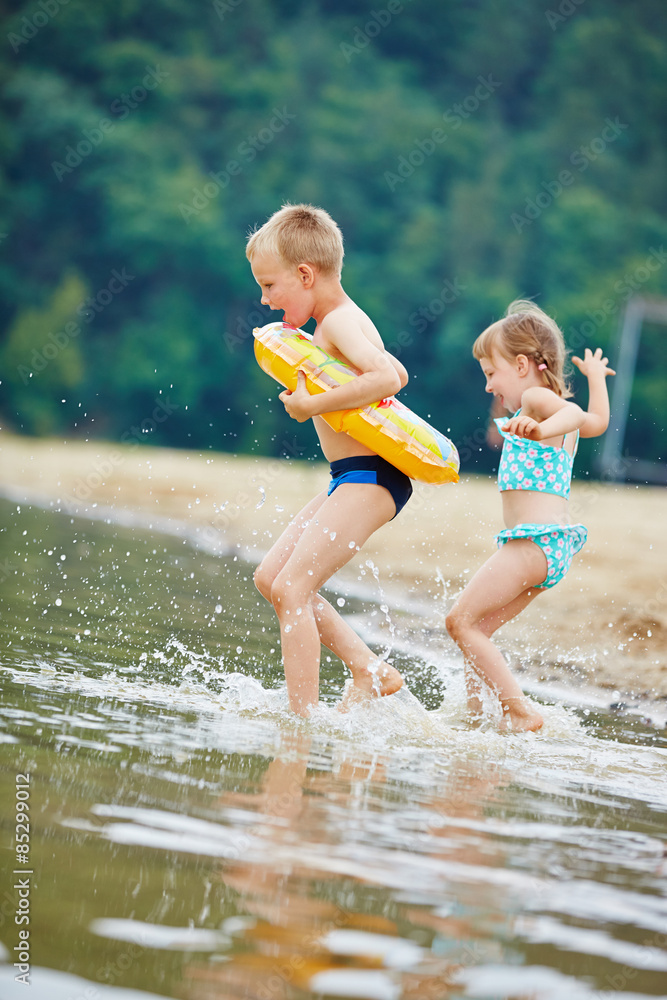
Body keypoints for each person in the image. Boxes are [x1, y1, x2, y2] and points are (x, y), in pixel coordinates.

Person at [246, 203, 412, 717]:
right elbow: (390, 366)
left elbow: (390, 378)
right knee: (271, 579)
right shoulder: (337, 323)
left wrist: (310, 405)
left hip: (373, 477)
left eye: (270, 286)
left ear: (304, 274)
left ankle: (301, 724)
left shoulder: (338, 321)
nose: (264, 297)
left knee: (294, 587)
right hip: (349, 477)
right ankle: (369, 669)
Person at [445, 300, 615, 732]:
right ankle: (478, 716)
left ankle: (518, 711)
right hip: (548, 549)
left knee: (458, 621)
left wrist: (540, 429)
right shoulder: (543, 408)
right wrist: (596, 379)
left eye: (491, 373)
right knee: (478, 629)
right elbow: (594, 419)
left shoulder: (540, 403)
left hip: (533, 544)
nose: (488, 387)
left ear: (522, 365)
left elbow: (572, 415)